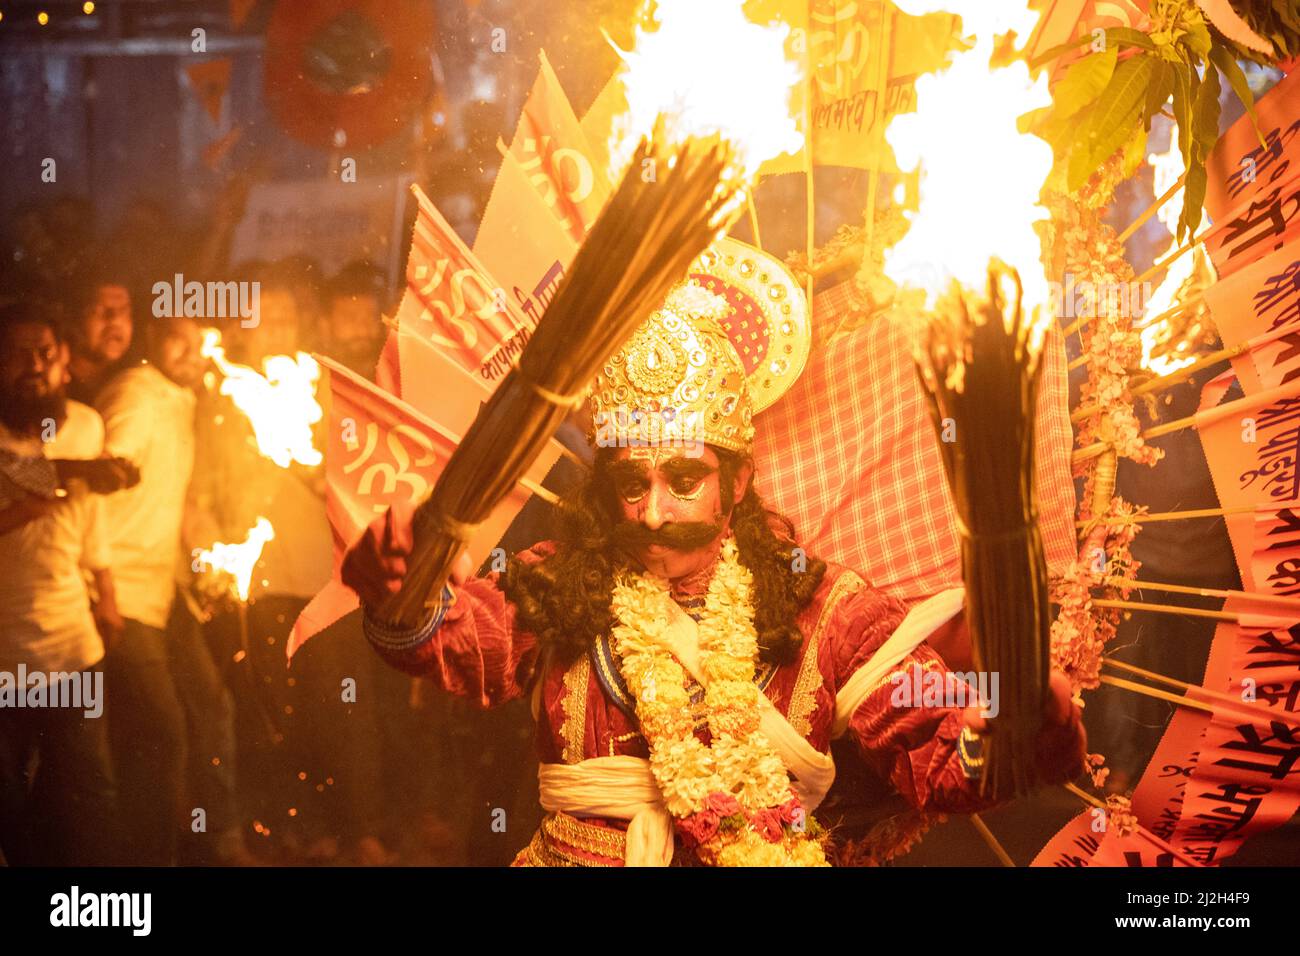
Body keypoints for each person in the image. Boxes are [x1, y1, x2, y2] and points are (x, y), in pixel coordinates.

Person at [342, 281, 1089, 867]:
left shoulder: (823, 605)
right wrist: (402, 595)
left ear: (736, 482)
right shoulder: (563, 580)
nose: (654, 513)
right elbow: (466, 643)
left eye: (682, 478)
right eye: (631, 484)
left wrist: (1016, 733)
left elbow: (933, 750)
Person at [0, 302, 131, 866]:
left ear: (64, 362)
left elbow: (90, 518)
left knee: (88, 790)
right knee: (8, 803)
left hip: (71, 644)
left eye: (46, 353)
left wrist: (108, 592)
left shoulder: (83, 424)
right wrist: (68, 479)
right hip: (4, 655)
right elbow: (12, 471)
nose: (35, 365)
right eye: (18, 355)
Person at [95, 314, 208, 865]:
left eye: (199, 340)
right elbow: (95, 487)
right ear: (151, 340)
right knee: (161, 731)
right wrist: (104, 589)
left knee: (198, 711)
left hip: (161, 593)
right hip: (117, 591)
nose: (189, 351)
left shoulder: (182, 400)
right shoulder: (139, 395)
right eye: (176, 338)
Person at [65, 267, 135, 405]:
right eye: (98, 311)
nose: (115, 320)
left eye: (123, 311)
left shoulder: (132, 383)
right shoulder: (55, 389)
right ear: (73, 320)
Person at [323, 260, 387, 377]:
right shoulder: (308, 380)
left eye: (371, 317)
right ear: (325, 325)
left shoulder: (397, 382)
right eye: (350, 318)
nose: (363, 330)